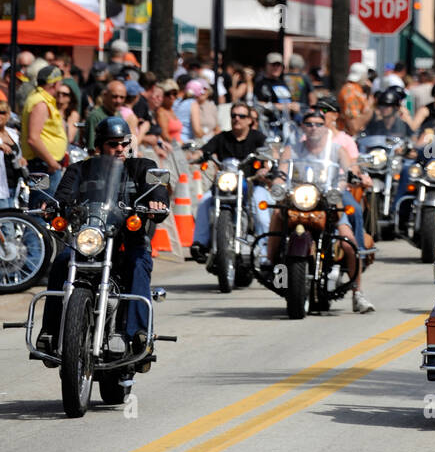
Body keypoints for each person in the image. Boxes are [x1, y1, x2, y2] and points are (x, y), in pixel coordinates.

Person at [36, 115, 170, 356]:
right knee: (62, 262)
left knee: (138, 264)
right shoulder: (80, 169)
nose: (119, 148)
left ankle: (138, 333)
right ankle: (51, 331)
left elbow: (156, 190)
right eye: (112, 143)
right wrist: (53, 206)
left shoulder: (141, 166)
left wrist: (156, 202)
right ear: (99, 146)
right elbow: (64, 195)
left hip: (128, 240)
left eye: (123, 143)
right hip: (91, 240)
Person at [273, 108, 375, 312]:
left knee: (348, 242)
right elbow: (282, 171)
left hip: (328, 202)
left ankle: (358, 293)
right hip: (299, 200)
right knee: (276, 213)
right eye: (309, 124)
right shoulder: (292, 149)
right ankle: (270, 262)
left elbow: (349, 170)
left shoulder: (337, 150)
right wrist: (276, 181)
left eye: (318, 124)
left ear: (325, 126)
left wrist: (356, 177)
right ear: (303, 126)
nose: (313, 128)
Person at [188, 101, 270, 259]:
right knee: (204, 201)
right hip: (225, 184)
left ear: (249, 120)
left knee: (261, 211)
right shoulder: (222, 138)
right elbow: (205, 150)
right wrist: (194, 156)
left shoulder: (258, 138)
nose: (237, 119)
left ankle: (265, 252)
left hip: (253, 183)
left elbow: (268, 155)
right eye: (234, 116)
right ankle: (200, 243)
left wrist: (265, 168)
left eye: (241, 116)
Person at [20, 66, 69, 196]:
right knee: (42, 208)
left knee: (44, 206)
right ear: (54, 84)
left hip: (44, 163)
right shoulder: (40, 103)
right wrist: (52, 163)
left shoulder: (41, 99)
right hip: (43, 165)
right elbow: (33, 138)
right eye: (60, 83)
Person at [337, 64, 374, 138]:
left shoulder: (354, 89)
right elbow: (353, 125)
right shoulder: (351, 92)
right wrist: (370, 111)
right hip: (349, 135)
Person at [0, 99, 21, 206]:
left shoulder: (13, 134)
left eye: (2, 112)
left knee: (12, 221)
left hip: (13, 187)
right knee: (6, 222)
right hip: (0, 190)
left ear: (8, 115)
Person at [54, 81, 80, 147]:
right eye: (58, 93)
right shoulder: (51, 109)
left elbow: (69, 137)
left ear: (70, 98)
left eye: (64, 94)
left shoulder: (73, 114)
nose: (60, 95)